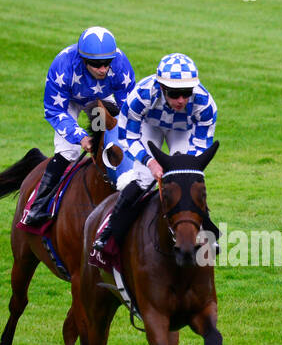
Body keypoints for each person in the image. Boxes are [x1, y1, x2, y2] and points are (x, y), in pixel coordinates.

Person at [90, 53, 217, 266]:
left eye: (186, 94)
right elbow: (128, 136)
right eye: (175, 94)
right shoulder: (141, 95)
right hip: (149, 125)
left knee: (187, 180)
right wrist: (150, 162)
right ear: (161, 88)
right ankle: (109, 235)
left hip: (183, 130)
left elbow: (200, 147)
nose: (181, 100)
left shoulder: (205, 105)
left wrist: (179, 170)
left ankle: (208, 233)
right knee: (143, 178)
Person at [21, 26, 136, 229]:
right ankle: (37, 206)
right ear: (83, 59)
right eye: (96, 64)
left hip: (102, 100)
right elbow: (55, 111)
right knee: (69, 150)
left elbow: (129, 108)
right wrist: (80, 136)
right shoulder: (63, 65)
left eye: (106, 64)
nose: (103, 69)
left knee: (118, 142)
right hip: (71, 101)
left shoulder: (119, 63)